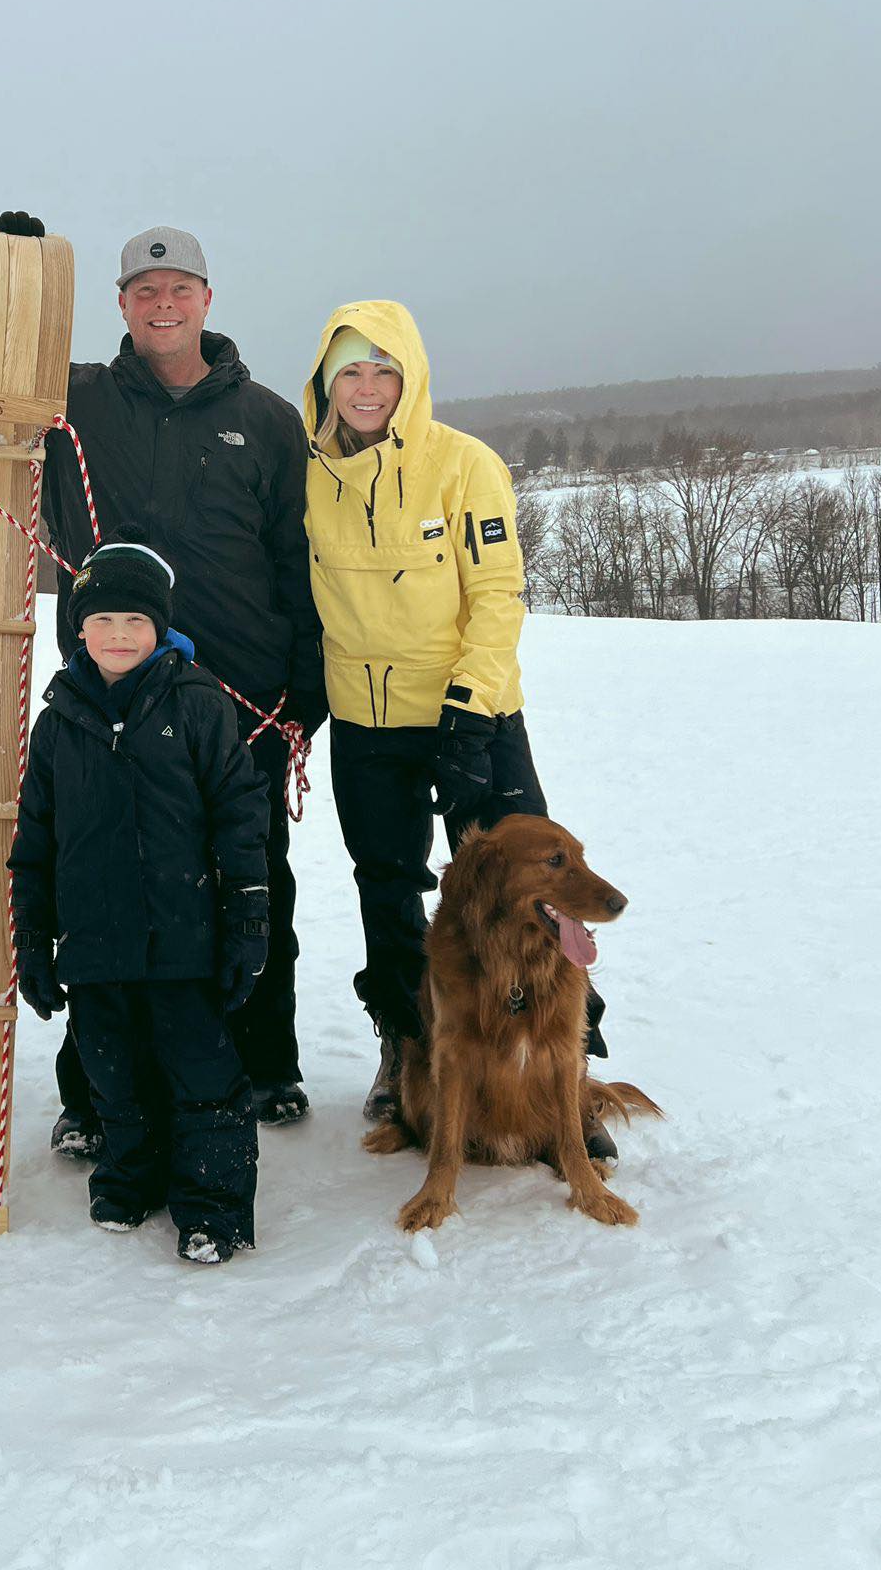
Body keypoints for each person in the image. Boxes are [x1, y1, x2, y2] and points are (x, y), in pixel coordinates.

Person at [0, 214, 326, 1144]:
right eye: (145, 291)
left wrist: (306, 693)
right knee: (105, 884)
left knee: (252, 883)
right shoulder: (78, 405)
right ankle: (96, 1094)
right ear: (123, 306)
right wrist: (12, 265)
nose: (163, 304)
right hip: (114, 701)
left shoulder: (265, 421)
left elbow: (297, 564)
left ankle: (265, 1063)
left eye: (180, 289)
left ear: (208, 300)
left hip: (242, 705)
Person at [301, 302, 612, 1147]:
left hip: (470, 718)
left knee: (530, 886)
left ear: (410, 377)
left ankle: (567, 1069)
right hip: (368, 723)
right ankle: (407, 1046)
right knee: (387, 888)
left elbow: (498, 595)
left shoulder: (464, 465)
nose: (367, 389)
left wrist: (469, 710)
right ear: (326, 385)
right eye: (350, 373)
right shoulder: (311, 477)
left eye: (383, 371)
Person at [8, 540, 272, 1263]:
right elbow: (34, 840)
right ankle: (131, 1175)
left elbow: (241, 817)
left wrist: (247, 917)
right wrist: (32, 937)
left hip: (185, 939)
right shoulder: (59, 721)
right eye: (101, 620)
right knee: (112, 1073)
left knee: (202, 1077)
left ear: (160, 626)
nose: (119, 635)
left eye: (135, 620)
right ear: (78, 630)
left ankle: (212, 1208)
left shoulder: (198, 705)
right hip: (96, 946)